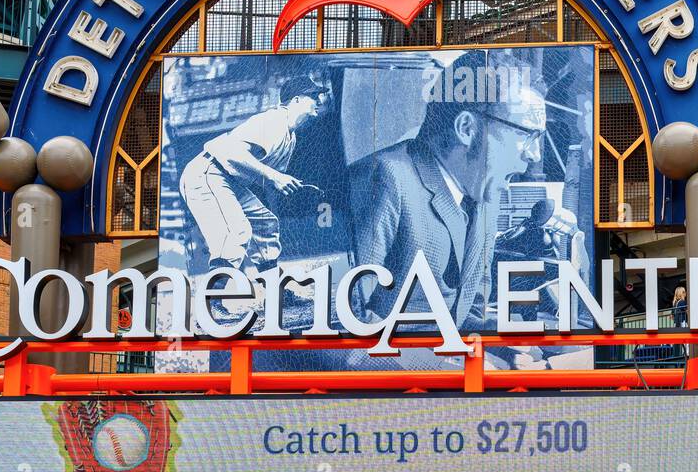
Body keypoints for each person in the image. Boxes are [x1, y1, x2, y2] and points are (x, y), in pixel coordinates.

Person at [347, 52, 547, 329]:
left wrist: (510, 347)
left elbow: (473, 311)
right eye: (527, 135)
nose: (535, 154)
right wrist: (443, 367)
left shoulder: (486, 194)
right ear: (466, 128)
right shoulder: (386, 177)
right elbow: (348, 320)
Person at [179, 73, 332, 277]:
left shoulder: (290, 136)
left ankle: (274, 289)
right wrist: (275, 177)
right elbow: (233, 153)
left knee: (265, 224)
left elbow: (267, 177)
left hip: (228, 179)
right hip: (207, 172)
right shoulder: (273, 121)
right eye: (314, 96)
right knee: (235, 233)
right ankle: (214, 299)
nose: (318, 101)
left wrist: (289, 185)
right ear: (297, 99)